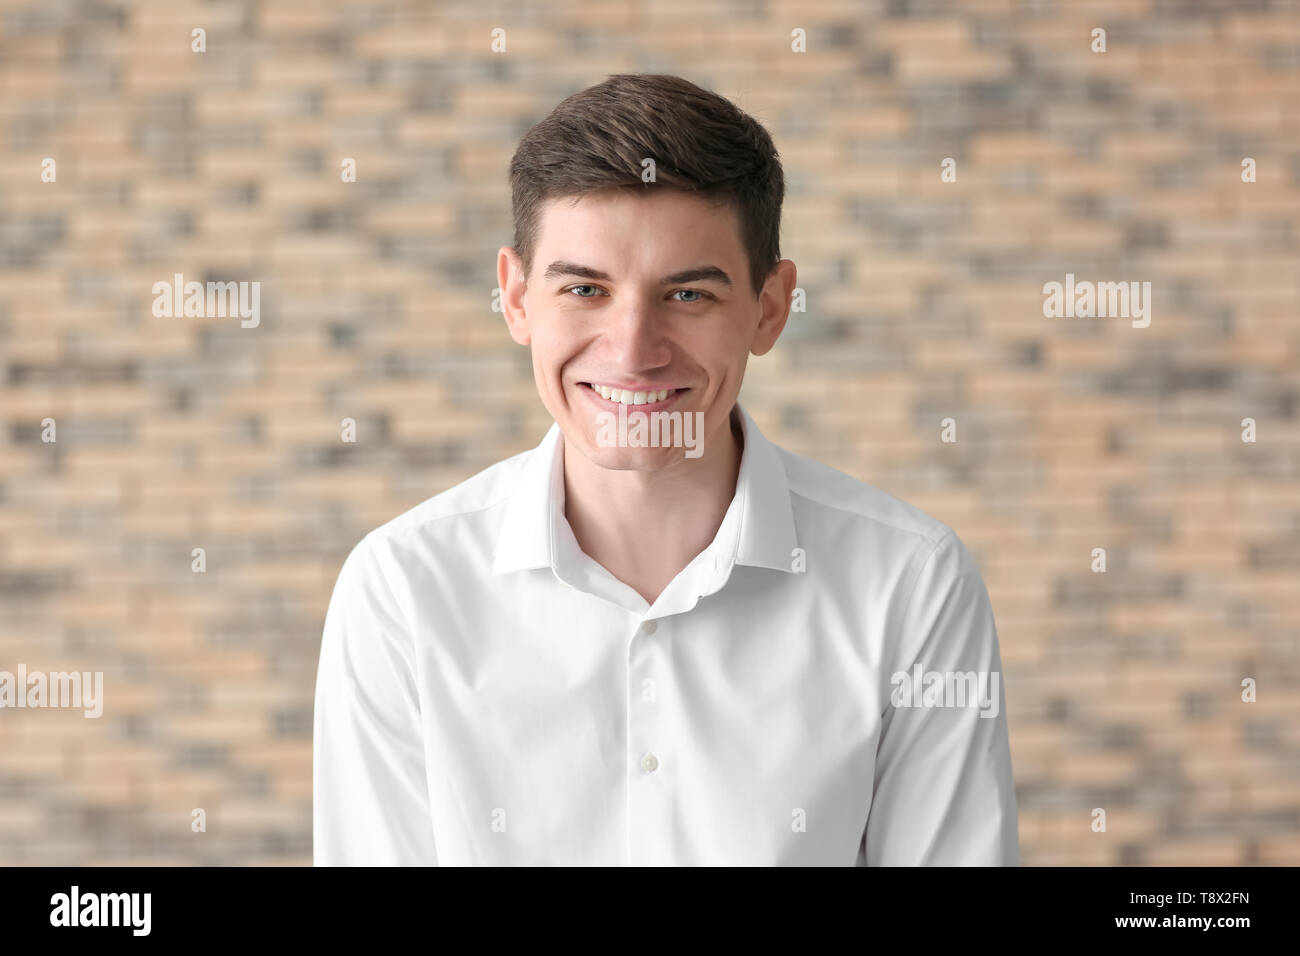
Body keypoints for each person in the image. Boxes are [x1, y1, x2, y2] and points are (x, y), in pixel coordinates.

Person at [313, 73, 1019, 865]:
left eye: (687, 295)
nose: (633, 352)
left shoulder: (910, 585)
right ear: (515, 298)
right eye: (585, 288)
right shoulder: (403, 591)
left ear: (770, 306)